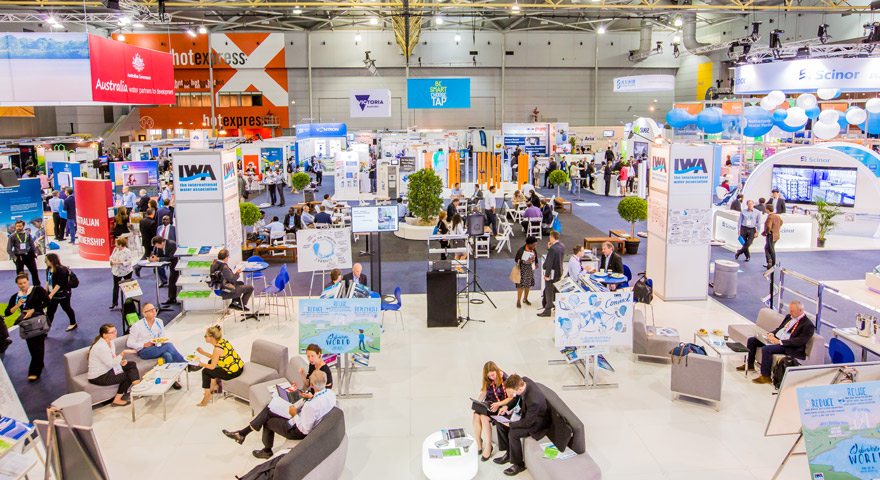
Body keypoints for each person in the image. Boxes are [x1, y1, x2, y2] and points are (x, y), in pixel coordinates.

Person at [222, 369, 336, 459]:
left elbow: (305, 430)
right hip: (306, 418)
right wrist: (310, 397)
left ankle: (265, 449)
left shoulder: (311, 406)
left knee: (267, 419)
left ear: (312, 385)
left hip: (297, 431)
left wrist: (294, 414)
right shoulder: (330, 394)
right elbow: (318, 404)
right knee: (269, 408)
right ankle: (242, 434)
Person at [738, 301, 815, 385]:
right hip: (777, 340)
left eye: (792, 311)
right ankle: (749, 365)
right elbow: (780, 328)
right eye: (790, 310)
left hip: (789, 346)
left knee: (766, 349)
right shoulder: (789, 316)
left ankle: (766, 376)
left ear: (800, 311)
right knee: (752, 340)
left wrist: (780, 342)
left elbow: (799, 341)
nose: (790, 312)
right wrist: (772, 333)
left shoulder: (808, 325)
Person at [493, 374, 550, 476]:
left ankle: (519, 464)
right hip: (527, 414)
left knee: (513, 433)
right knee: (499, 422)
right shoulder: (523, 381)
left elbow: (528, 422)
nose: (511, 394)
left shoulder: (534, 400)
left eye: (511, 392)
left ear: (519, 389)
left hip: (536, 423)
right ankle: (509, 453)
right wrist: (506, 407)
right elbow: (516, 397)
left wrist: (510, 424)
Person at [126, 303, 185, 386]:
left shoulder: (159, 322)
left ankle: (172, 380)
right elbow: (129, 343)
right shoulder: (137, 326)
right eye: (150, 310)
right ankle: (186, 364)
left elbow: (162, 336)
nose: (154, 312)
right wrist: (143, 344)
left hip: (157, 347)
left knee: (168, 355)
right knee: (169, 345)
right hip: (144, 351)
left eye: (154, 309)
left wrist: (159, 341)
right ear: (144, 313)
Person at [5, 273, 49, 381]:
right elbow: (7, 312)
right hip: (26, 324)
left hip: (38, 320)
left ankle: (34, 371)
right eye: (20, 283)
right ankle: (40, 363)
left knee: (38, 345)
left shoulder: (37, 290)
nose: (22, 285)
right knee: (32, 346)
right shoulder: (15, 297)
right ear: (17, 284)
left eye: (24, 282)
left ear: (28, 282)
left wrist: (33, 309)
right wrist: (17, 305)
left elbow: (47, 301)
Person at [88, 324, 141, 407]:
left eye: (115, 331)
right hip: (99, 376)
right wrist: (123, 353)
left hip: (108, 369)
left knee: (131, 364)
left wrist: (120, 362)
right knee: (127, 375)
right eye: (112, 332)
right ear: (104, 335)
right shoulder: (100, 347)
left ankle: (138, 387)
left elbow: (112, 358)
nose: (115, 333)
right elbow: (111, 364)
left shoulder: (111, 342)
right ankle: (117, 400)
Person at [195, 325, 244, 406]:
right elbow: (215, 358)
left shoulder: (217, 349)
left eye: (205, 336)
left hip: (232, 373)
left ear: (211, 337)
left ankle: (207, 395)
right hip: (239, 367)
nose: (204, 337)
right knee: (210, 361)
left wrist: (199, 363)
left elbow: (212, 367)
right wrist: (202, 352)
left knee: (205, 371)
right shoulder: (223, 341)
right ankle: (214, 386)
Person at [473, 361, 512, 461]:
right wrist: (478, 402)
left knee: (483, 417)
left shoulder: (506, 379)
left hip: (500, 406)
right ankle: (479, 442)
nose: (492, 377)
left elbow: (510, 398)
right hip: (490, 404)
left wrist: (498, 404)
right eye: (489, 376)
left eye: (493, 375)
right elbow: (484, 391)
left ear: (497, 371)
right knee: (476, 415)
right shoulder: (488, 379)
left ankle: (488, 446)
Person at [45, 253, 76, 331]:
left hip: (63, 293)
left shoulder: (60, 270)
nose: (45, 261)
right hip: (53, 294)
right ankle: (46, 328)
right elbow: (47, 281)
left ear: (52, 260)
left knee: (66, 308)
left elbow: (59, 284)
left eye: (47, 260)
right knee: (50, 312)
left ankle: (73, 323)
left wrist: (51, 294)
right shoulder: (48, 269)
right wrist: (46, 292)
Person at [538, 231, 564, 317]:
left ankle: (547, 310)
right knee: (555, 290)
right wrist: (549, 248)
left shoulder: (553, 248)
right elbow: (556, 257)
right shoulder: (561, 246)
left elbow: (549, 262)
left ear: (552, 237)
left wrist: (546, 275)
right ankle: (557, 306)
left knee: (549, 291)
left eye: (550, 236)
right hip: (558, 272)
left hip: (551, 274)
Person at [8, 220, 40, 286]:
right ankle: (22, 288)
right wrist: (14, 258)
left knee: (34, 271)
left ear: (23, 226)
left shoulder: (28, 235)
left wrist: (35, 253)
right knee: (20, 275)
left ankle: (37, 287)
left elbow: (32, 245)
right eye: (17, 226)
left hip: (29, 255)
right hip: (19, 257)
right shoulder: (12, 236)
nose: (18, 228)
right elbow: (9, 249)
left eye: (20, 226)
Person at [150, 236, 179, 306]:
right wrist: (154, 257)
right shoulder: (159, 245)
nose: (157, 247)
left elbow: (171, 257)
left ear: (161, 243)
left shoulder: (172, 244)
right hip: (170, 264)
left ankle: (172, 298)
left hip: (177, 263)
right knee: (172, 280)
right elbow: (158, 254)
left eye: (157, 246)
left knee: (172, 279)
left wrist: (158, 259)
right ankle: (172, 298)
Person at [109, 236, 134, 309]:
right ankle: (114, 303)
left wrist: (120, 263)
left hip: (126, 271)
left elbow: (129, 261)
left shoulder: (127, 251)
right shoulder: (115, 249)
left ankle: (129, 303)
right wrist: (111, 261)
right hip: (116, 271)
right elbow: (111, 257)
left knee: (127, 287)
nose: (115, 244)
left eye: (116, 243)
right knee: (115, 287)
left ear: (121, 245)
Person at [514, 236, 538, 309]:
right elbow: (516, 259)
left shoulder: (533, 249)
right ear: (529, 244)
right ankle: (518, 300)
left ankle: (525, 299)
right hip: (522, 270)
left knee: (528, 285)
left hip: (530, 270)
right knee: (521, 286)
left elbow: (536, 256)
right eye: (534, 245)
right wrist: (524, 260)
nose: (535, 246)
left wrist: (536, 262)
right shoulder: (521, 250)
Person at [135, 208, 157, 276]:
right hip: (151, 242)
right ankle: (138, 267)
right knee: (148, 255)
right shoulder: (152, 222)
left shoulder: (142, 221)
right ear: (153, 213)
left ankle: (155, 269)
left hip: (145, 240)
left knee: (148, 254)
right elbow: (154, 234)